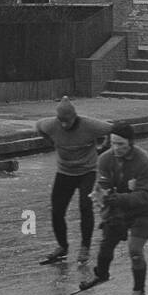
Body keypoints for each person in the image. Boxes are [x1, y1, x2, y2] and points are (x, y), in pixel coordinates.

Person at [78, 123, 148, 295]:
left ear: (130, 143)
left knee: (135, 250)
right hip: (118, 210)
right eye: (113, 143)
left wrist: (118, 198)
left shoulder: (144, 162)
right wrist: (103, 199)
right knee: (106, 246)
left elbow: (145, 195)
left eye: (121, 144)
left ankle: (139, 290)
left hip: (142, 212)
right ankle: (101, 274)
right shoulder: (105, 159)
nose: (116, 148)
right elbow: (103, 186)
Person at [34, 97, 112, 264]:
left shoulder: (89, 125)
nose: (63, 125)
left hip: (87, 171)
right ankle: (62, 246)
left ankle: (85, 246)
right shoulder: (51, 125)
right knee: (57, 210)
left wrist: (104, 149)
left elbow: (113, 129)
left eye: (67, 121)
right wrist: (51, 142)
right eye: (61, 121)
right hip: (65, 171)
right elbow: (38, 126)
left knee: (85, 206)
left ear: (74, 117)